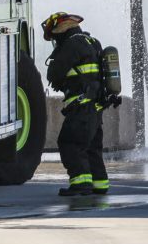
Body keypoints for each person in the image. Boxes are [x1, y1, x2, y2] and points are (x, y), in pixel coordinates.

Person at [43, 12, 109, 197]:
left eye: (55, 36)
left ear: (61, 31)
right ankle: (100, 183)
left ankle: (81, 184)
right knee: (91, 147)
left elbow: (54, 74)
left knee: (70, 143)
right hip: (96, 106)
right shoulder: (92, 42)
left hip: (81, 106)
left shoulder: (71, 45)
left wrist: (56, 59)